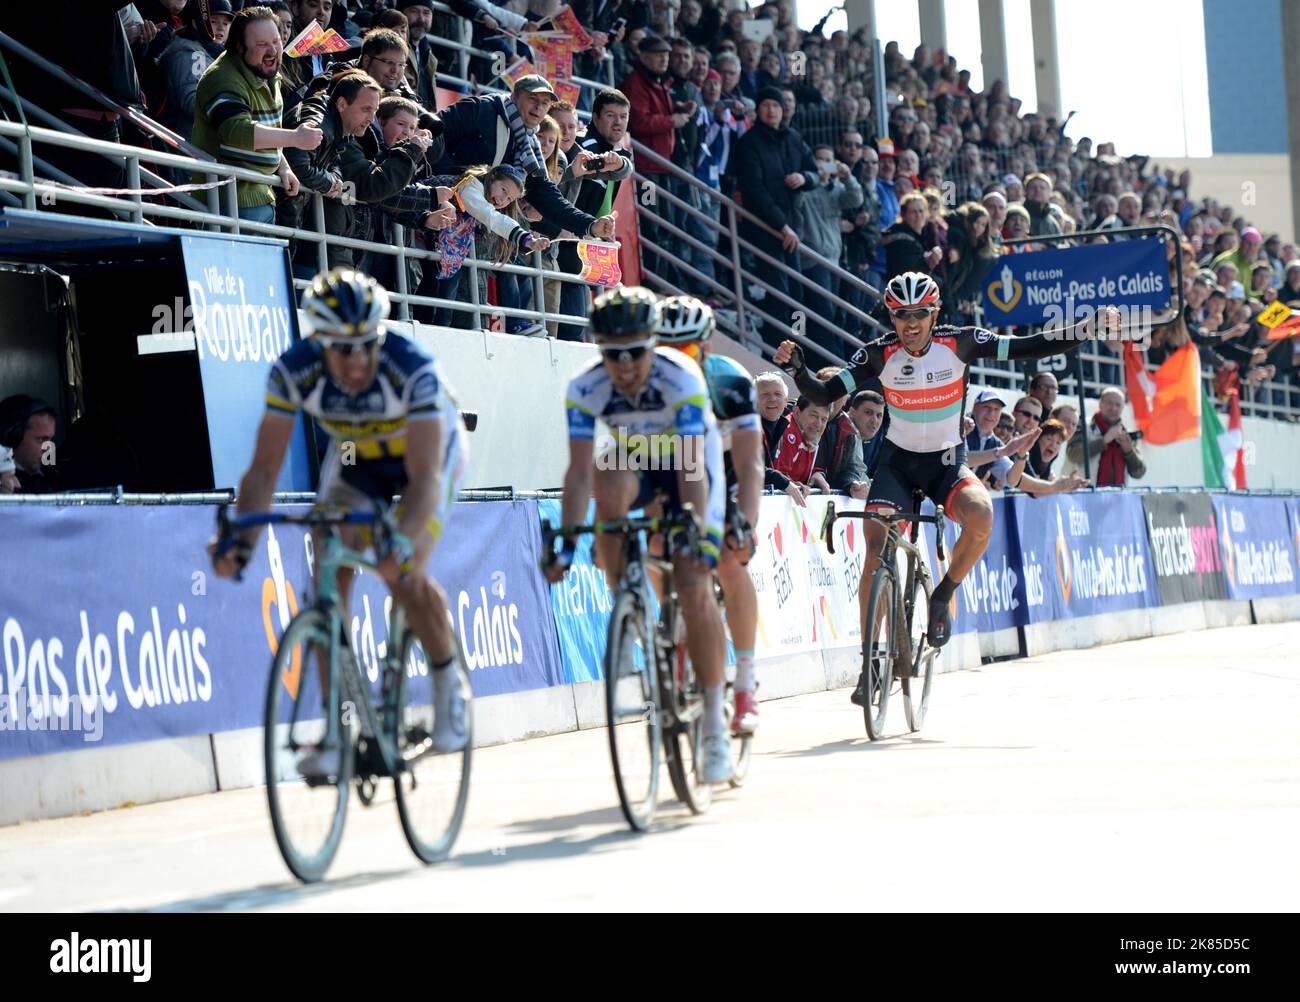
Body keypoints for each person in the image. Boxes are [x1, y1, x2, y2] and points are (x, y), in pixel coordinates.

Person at [775, 272, 1119, 703]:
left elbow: (1033, 346)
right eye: (901, 315)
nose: (911, 323)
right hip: (898, 467)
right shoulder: (879, 355)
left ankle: (942, 595)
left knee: (982, 515)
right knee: (875, 546)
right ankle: (870, 662)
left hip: (945, 464)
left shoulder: (962, 342)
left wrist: (1085, 328)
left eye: (920, 314)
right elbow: (823, 393)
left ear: (934, 314)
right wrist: (798, 369)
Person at [209, 270, 471, 771]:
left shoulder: (410, 367)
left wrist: (402, 541)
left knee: (403, 570)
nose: (355, 361)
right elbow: (263, 469)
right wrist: (241, 536)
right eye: (340, 349)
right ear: (318, 342)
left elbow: (425, 480)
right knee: (328, 569)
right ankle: (336, 730)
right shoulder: (293, 370)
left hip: (428, 457)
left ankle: (447, 680)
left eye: (365, 346)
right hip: (356, 455)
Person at [545, 287, 733, 783]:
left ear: (653, 345)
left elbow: (693, 469)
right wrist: (566, 541)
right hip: (635, 460)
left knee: (693, 584)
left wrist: (694, 529)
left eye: (635, 352)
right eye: (612, 353)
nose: (624, 365)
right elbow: (578, 474)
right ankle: (627, 596)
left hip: (691, 463)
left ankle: (715, 724)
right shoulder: (584, 387)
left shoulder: (680, 376)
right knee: (605, 480)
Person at [655, 297, 764, 734]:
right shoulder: (649, 383)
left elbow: (752, 464)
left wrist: (748, 527)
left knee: (730, 562)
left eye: (688, 349)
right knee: (655, 549)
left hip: (727, 473)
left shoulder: (731, 382)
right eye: (668, 349)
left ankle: (744, 683)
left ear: (706, 346)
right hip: (674, 468)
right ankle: (670, 654)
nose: (681, 359)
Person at [194, 5, 322, 225]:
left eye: (276, 41)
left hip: (260, 194)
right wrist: (295, 138)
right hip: (230, 201)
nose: (272, 51)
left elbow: (266, 131)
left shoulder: (266, 73)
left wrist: (283, 167)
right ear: (239, 47)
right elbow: (236, 131)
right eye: (262, 44)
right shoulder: (223, 78)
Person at [1066, 386, 1146, 486]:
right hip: (1086, 494)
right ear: (1100, 404)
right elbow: (1073, 455)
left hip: (1118, 496)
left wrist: (1129, 451)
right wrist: (1104, 440)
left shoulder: (1126, 435)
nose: (1113, 408)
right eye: (1109, 403)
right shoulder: (1084, 426)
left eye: (1118, 405)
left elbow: (1139, 473)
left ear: (1122, 408)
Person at [0, 395, 58, 494]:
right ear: (14, 437)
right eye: (41, 440)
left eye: (50, 440)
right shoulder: (4, 485)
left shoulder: (47, 479)